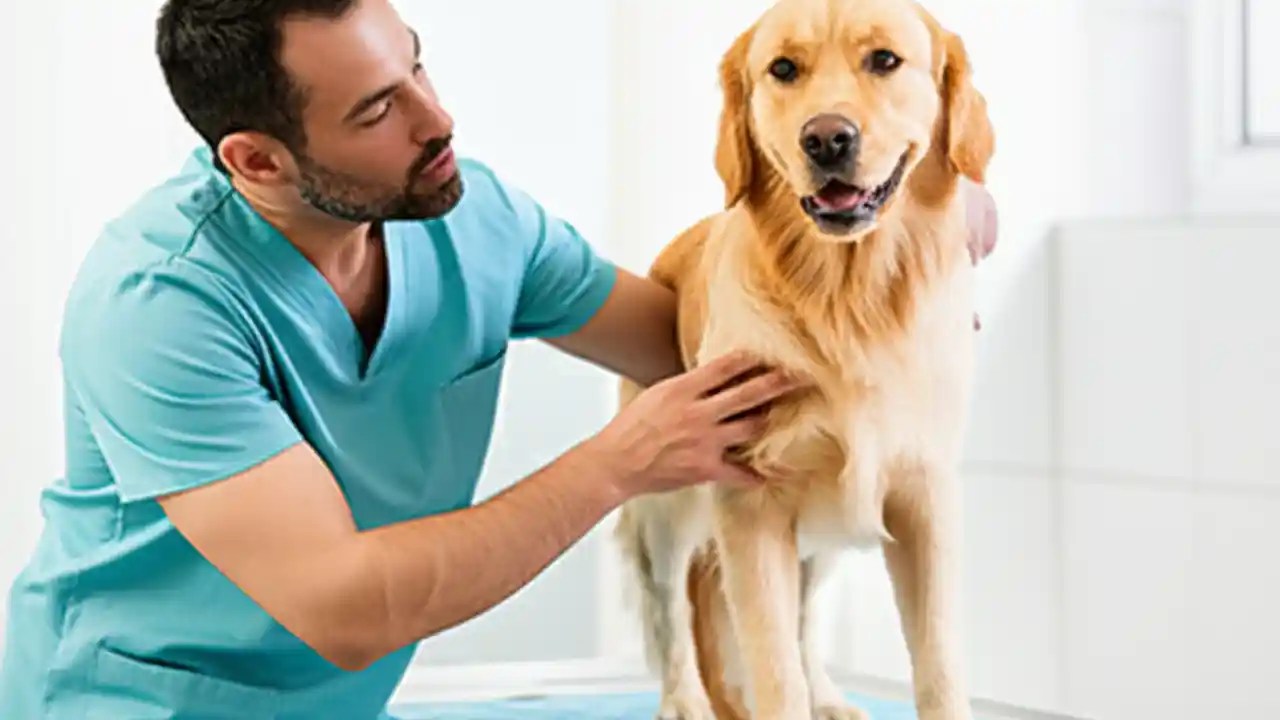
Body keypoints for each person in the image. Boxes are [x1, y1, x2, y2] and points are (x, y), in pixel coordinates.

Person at [0, 0, 998, 717]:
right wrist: (617, 466)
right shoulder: (159, 305)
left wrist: (914, 216)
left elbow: (685, 339)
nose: (436, 120)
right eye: (375, 112)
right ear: (257, 162)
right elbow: (344, 610)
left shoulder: (471, 216)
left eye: (416, 67)